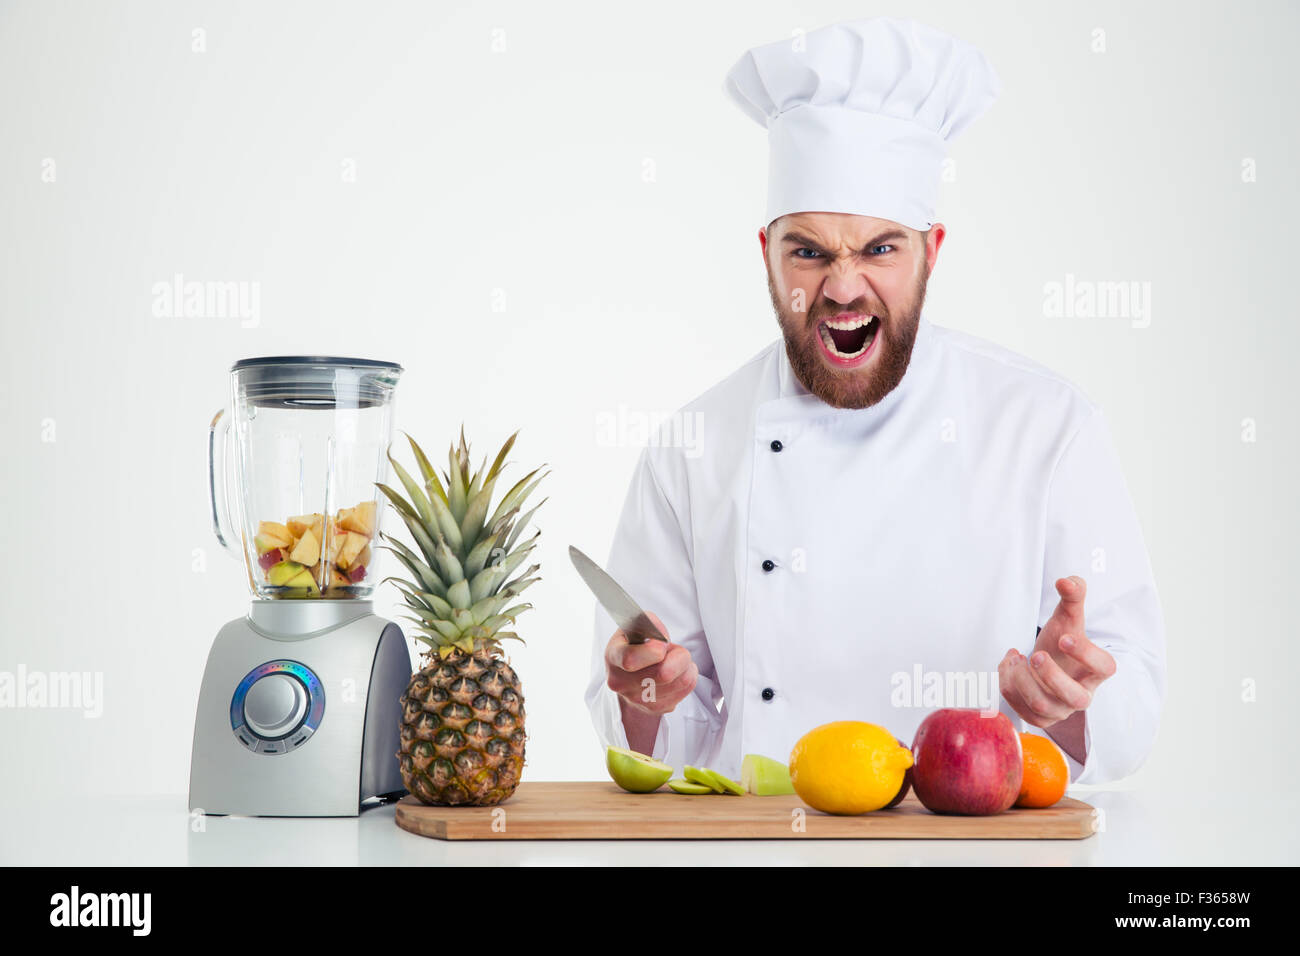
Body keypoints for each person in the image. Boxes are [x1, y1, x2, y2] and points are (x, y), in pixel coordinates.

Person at [583, 17, 1166, 785]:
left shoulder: (1048, 428)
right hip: (761, 836)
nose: (843, 287)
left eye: (880, 249)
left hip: (969, 838)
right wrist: (647, 698)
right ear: (766, 255)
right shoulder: (690, 448)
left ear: (933, 252)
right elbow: (660, 740)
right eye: (808, 251)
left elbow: (1134, 707)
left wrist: (1070, 702)